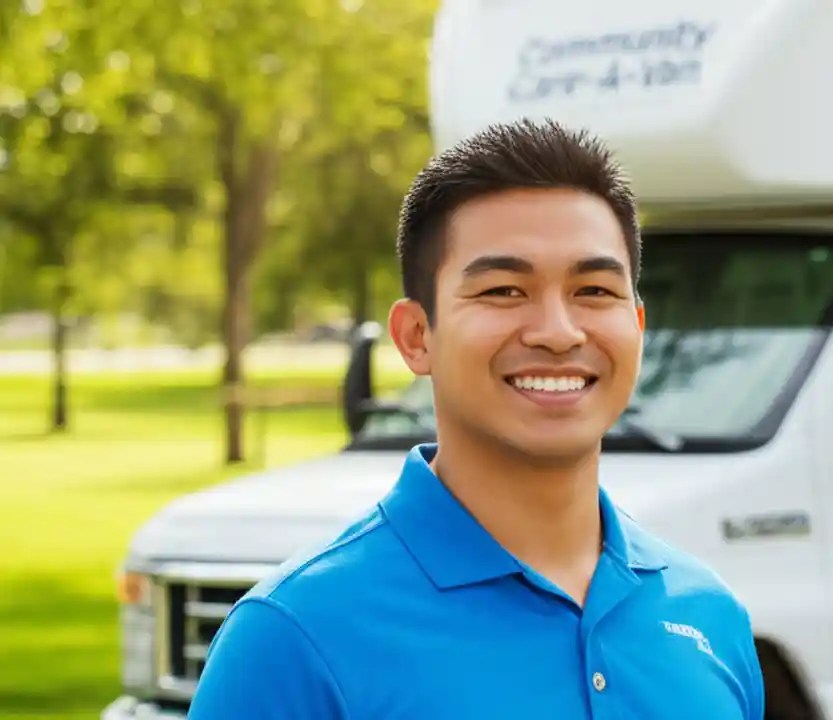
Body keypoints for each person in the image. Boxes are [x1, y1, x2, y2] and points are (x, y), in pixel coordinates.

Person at [188, 118, 766, 719]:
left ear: (637, 330)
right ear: (416, 337)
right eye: (503, 291)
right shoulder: (294, 638)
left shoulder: (708, 615)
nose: (558, 332)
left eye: (594, 290)